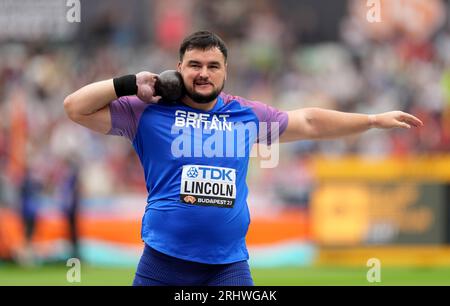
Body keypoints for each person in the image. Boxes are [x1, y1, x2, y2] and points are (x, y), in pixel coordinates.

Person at [63, 31, 423, 286]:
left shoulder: (247, 117)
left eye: (213, 66)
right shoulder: (148, 112)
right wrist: (128, 82)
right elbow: (75, 108)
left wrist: (373, 120)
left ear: (225, 71)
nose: (203, 73)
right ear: (178, 68)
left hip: (228, 265)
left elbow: (310, 122)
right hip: (163, 262)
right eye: (194, 64)